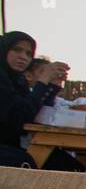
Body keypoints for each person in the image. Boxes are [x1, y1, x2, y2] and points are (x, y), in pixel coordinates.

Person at [0, 31, 81, 170]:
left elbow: (36, 113)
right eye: (17, 50)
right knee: (28, 163)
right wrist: (43, 81)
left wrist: (52, 86)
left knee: (69, 164)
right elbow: (21, 115)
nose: (23, 57)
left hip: (13, 144)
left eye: (28, 54)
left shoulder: (18, 81)